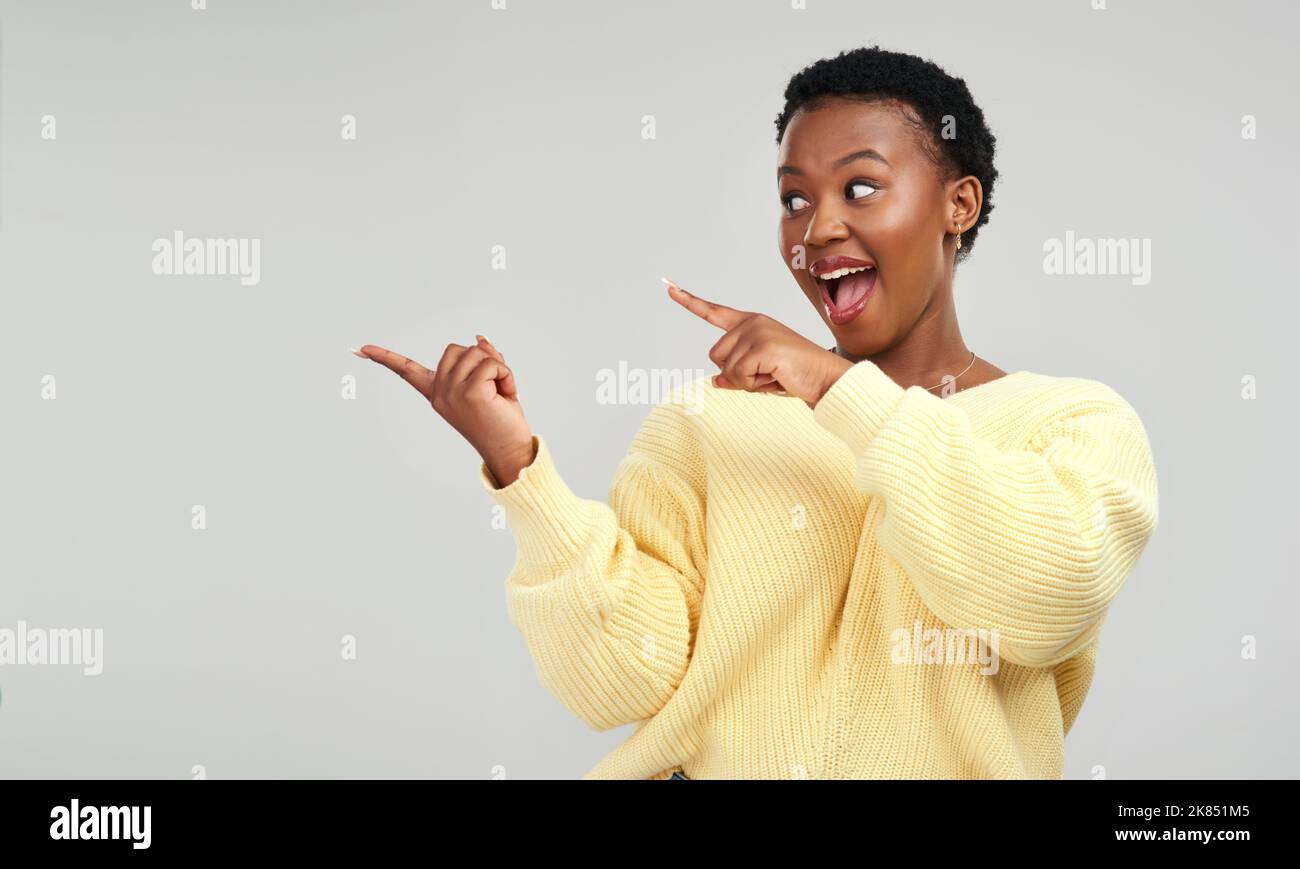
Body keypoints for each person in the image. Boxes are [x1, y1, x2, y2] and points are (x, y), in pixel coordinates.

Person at [355, 45, 1159, 779]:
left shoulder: (1073, 422)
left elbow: (1040, 597)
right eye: (793, 199)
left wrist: (836, 390)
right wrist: (521, 468)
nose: (819, 229)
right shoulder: (711, 423)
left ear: (959, 204)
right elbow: (626, 678)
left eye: (861, 187)